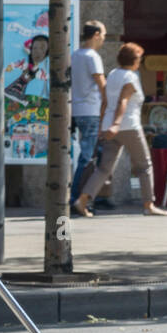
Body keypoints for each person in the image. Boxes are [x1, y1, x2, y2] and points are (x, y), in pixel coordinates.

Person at [74, 42, 167, 217]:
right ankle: (149, 204)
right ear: (134, 60)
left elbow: (105, 102)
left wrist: (104, 124)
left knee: (104, 168)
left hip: (109, 126)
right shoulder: (131, 77)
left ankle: (83, 199)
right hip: (128, 126)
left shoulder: (112, 74)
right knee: (144, 165)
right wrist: (116, 124)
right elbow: (123, 102)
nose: (140, 62)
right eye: (139, 59)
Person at [70, 20, 107, 211]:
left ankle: (90, 195)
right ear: (96, 35)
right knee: (87, 158)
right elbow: (102, 85)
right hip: (91, 110)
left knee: (94, 155)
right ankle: (77, 197)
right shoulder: (92, 56)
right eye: (103, 35)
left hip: (77, 110)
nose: (103, 39)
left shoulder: (75, 55)